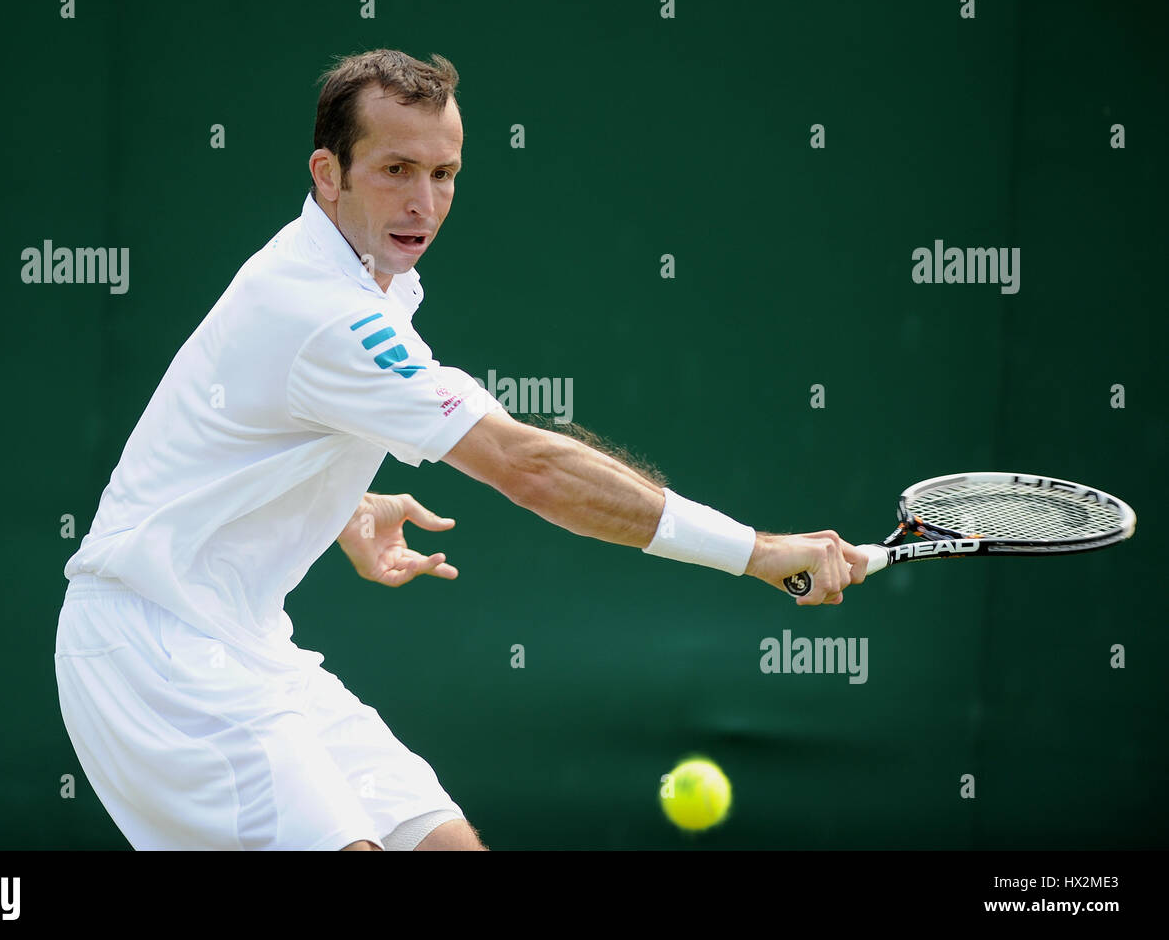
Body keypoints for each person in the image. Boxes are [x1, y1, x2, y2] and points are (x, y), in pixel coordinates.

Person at [54, 48, 868, 852]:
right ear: (328, 173)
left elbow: (237, 442)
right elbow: (532, 469)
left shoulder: (365, 279)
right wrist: (758, 553)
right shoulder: (327, 311)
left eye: (443, 175)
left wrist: (343, 508)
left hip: (246, 642)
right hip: (157, 656)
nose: (424, 203)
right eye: (397, 169)